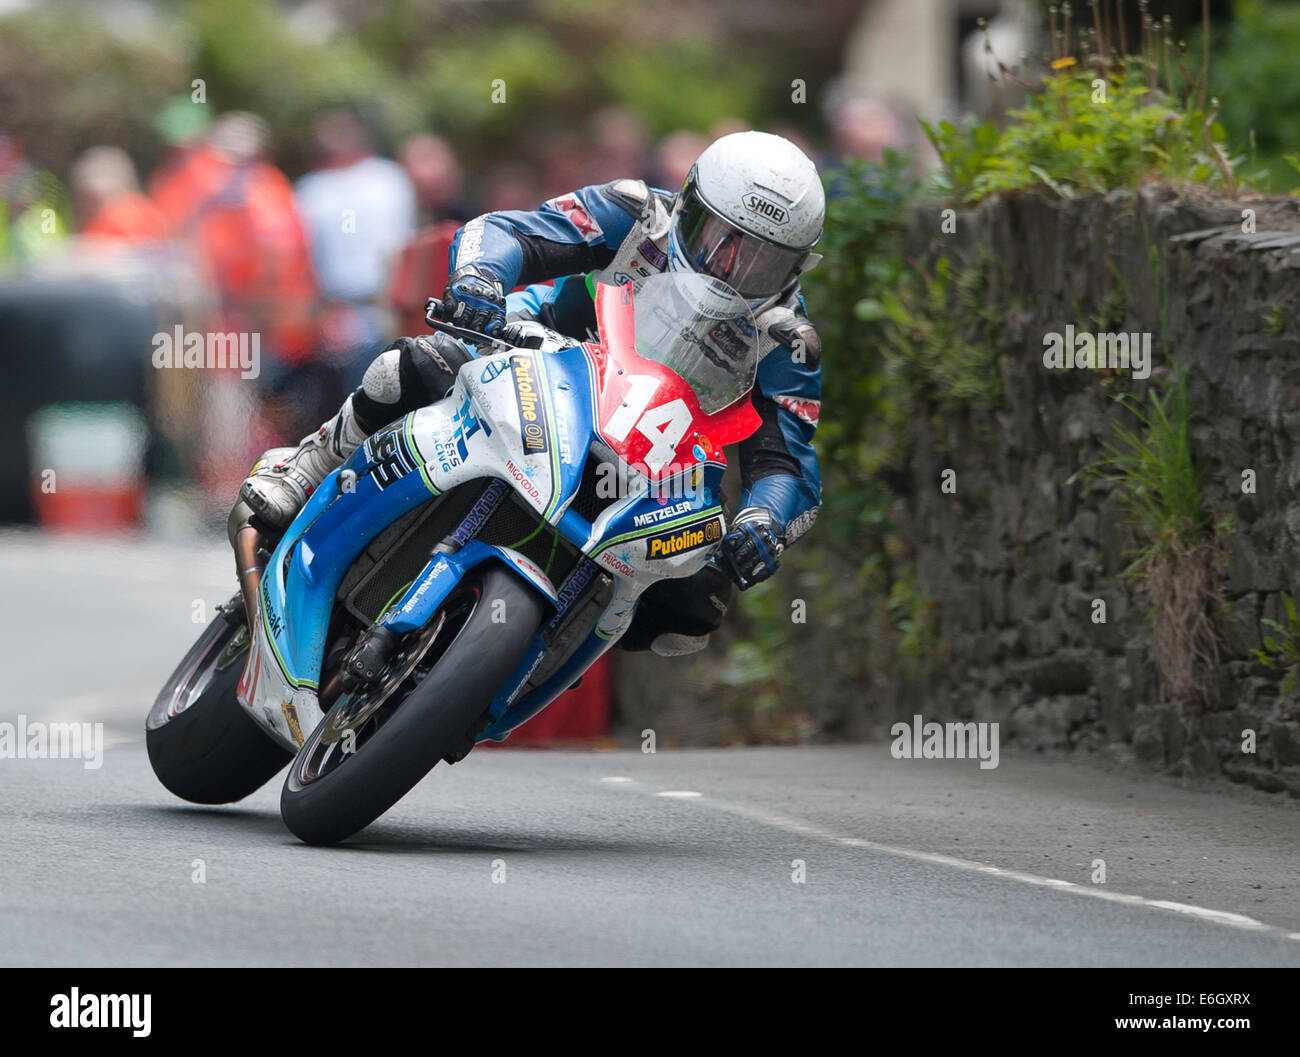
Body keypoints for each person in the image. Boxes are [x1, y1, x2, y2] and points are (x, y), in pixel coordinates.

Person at [237, 130, 824, 657]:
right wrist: (480, 279)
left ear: (796, 268)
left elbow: (788, 465)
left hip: (652, 455)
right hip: (547, 352)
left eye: (762, 260)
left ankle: (528, 660)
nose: (731, 266)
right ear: (689, 202)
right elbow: (509, 231)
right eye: (719, 237)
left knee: (696, 604)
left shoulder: (787, 339)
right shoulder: (636, 212)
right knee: (417, 365)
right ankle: (308, 465)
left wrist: (765, 520)